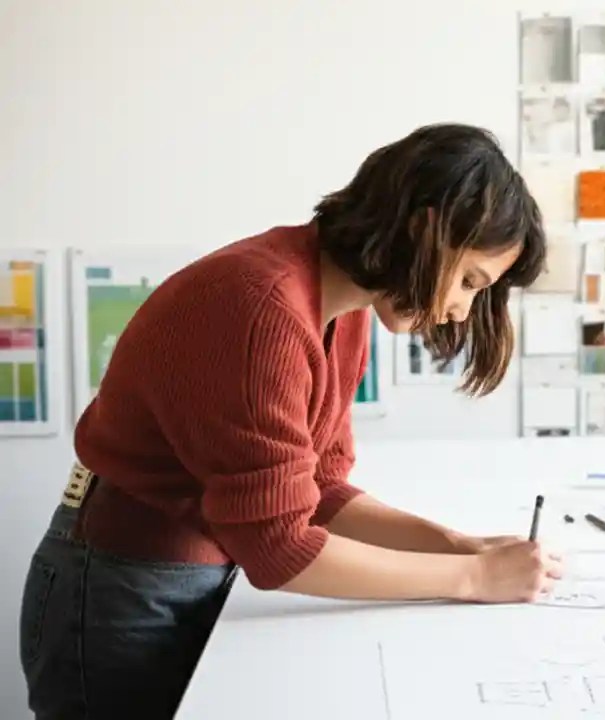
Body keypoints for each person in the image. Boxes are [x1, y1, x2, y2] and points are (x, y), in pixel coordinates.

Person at [18, 123, 559, 719]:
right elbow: (280, 550)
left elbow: (318, 488)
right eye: (468, 281)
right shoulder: (260, 308)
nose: (460, 307)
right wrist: (474, 578)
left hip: (181, 577)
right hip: (121, 588)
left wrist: (455, 546)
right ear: (424, 228)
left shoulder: (341, 308)